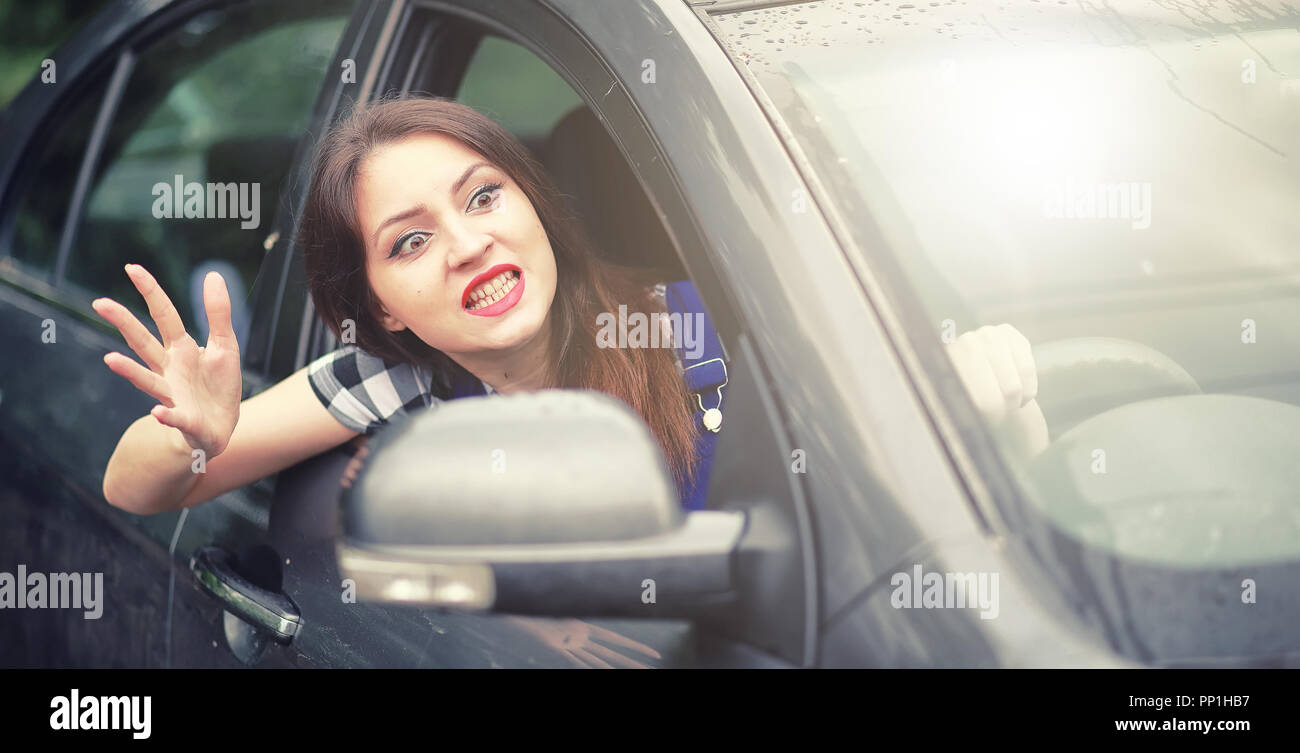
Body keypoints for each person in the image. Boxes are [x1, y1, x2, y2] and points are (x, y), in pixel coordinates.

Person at [97, 96, 1046, 519]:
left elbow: (892, 446)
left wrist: (961, 391)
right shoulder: (388, 379)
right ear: (381, 305)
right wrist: (198, 431)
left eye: (482, 197)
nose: (469, 243)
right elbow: (136, 487)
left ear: (535, 206)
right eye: (410, 241)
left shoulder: (702, 330)